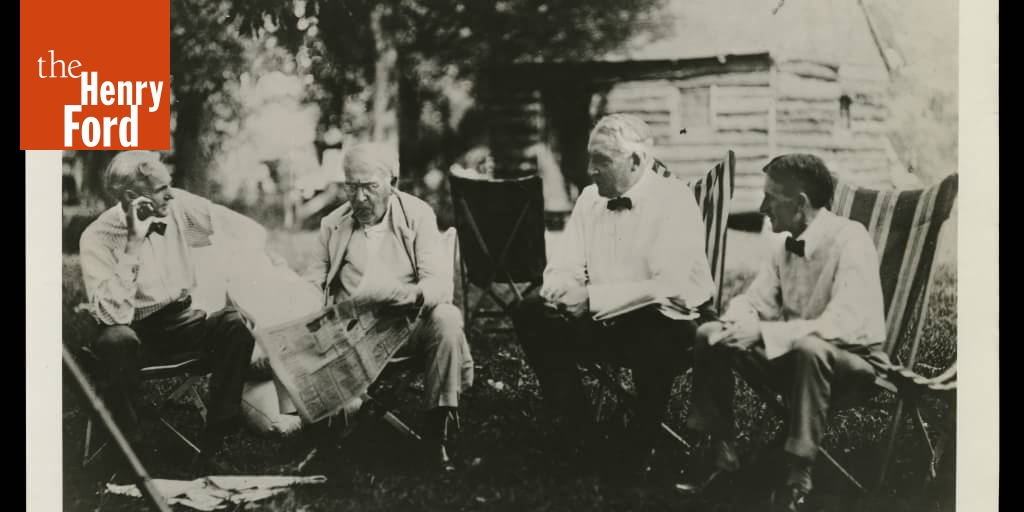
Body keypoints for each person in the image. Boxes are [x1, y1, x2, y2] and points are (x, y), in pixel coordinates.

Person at [509, 113, 717, 479]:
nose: (590, 170)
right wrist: (559, 288)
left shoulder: (673, 199)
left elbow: (666, 286)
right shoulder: (590, 199)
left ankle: (640, 442)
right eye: (590, 158)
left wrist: (591, 299)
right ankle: (580, 429)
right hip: (605, 321)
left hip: (673, 321)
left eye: (601, 160)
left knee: (652, 327)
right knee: (530, 311)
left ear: (635, 161)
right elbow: (564, 263)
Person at [680, 154, 891, 511]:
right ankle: (722, 454)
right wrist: (736, 325)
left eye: (770, 198)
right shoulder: (784, 245)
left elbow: (846, 322)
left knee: (812, 349)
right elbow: (755, 300)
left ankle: (797, 477)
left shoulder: (850, 239)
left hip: (851, 364)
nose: (762, 208)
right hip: (793, 356)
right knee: (710, 334)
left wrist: (763, 334)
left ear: (801, 203)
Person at [79, 150, 262, 472]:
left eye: (170, 185)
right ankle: (134, 455)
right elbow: (112, 316)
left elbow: (236, 227)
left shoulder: (177, 205)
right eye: (161, 189)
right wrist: (133, 246)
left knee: (234, 325)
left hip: (182, 323)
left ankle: (215, 444)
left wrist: (250, 262)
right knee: (115, 341)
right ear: (133, 198)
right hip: (134, 332)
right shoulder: (96, 237)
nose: (171, 194)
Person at [303, 142, 474, 469]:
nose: (359, 197)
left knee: (447, 318)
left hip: (404, 327)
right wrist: (305, 305)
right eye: (351, 187)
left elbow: (439, 283)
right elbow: (313, 280)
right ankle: (327, 442)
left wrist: (413, 296)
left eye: (370, 186)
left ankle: (436, 434)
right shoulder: (333, 224)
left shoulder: (417, 215)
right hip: (351, 337)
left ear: (392, 183)